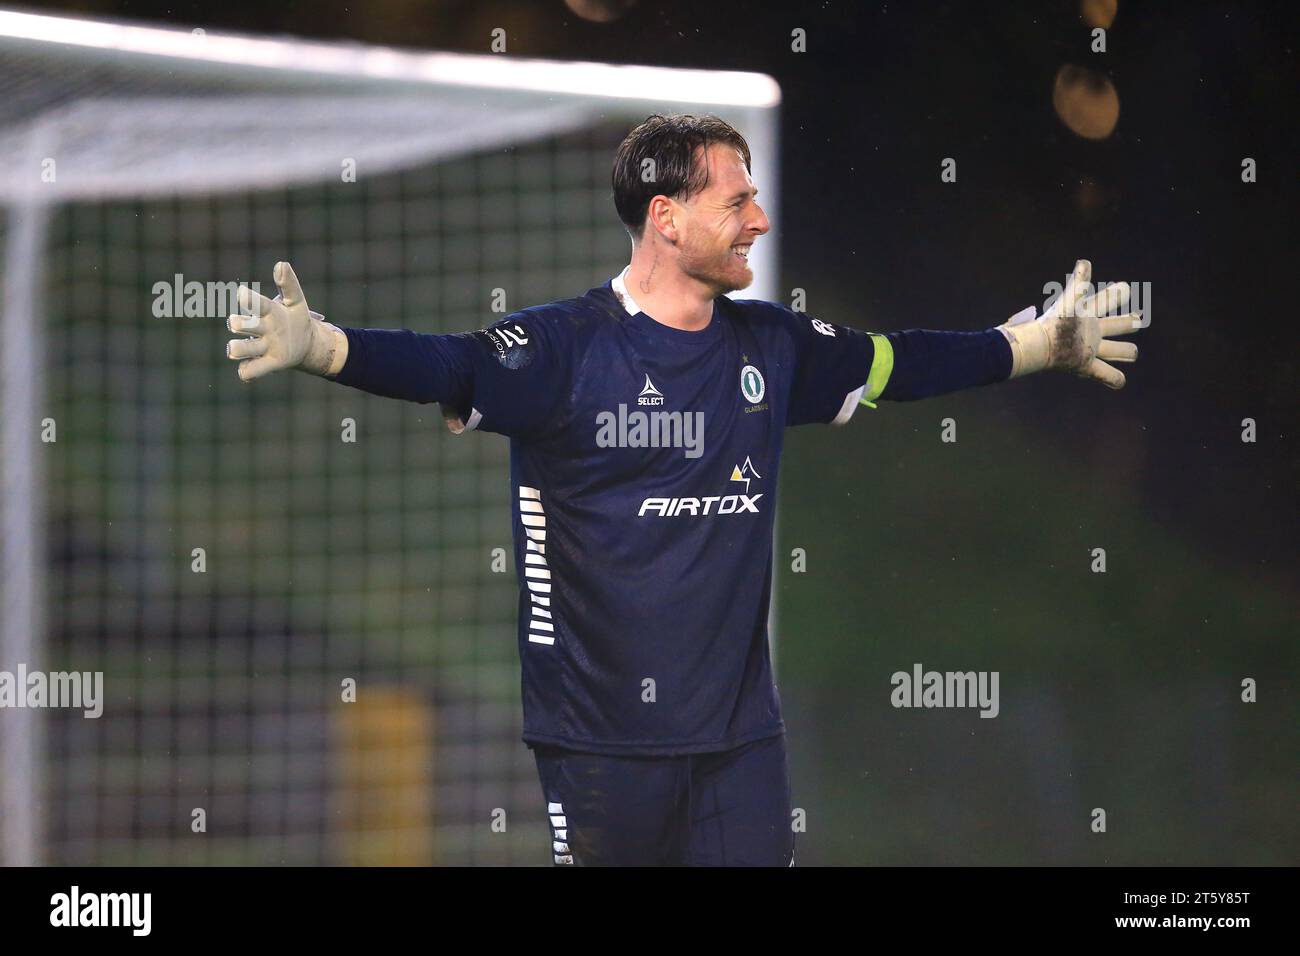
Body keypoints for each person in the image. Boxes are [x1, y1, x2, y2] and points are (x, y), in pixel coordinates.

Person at [224, 113, 1143, 866]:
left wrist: (1032, 347)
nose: (759, 219)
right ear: (667, 217)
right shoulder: (563, 348)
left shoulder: (772, 346)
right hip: (598, 746)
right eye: (737, 199)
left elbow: (894, 362)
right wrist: (324, 346)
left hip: (740, 742)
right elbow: (449, 366)